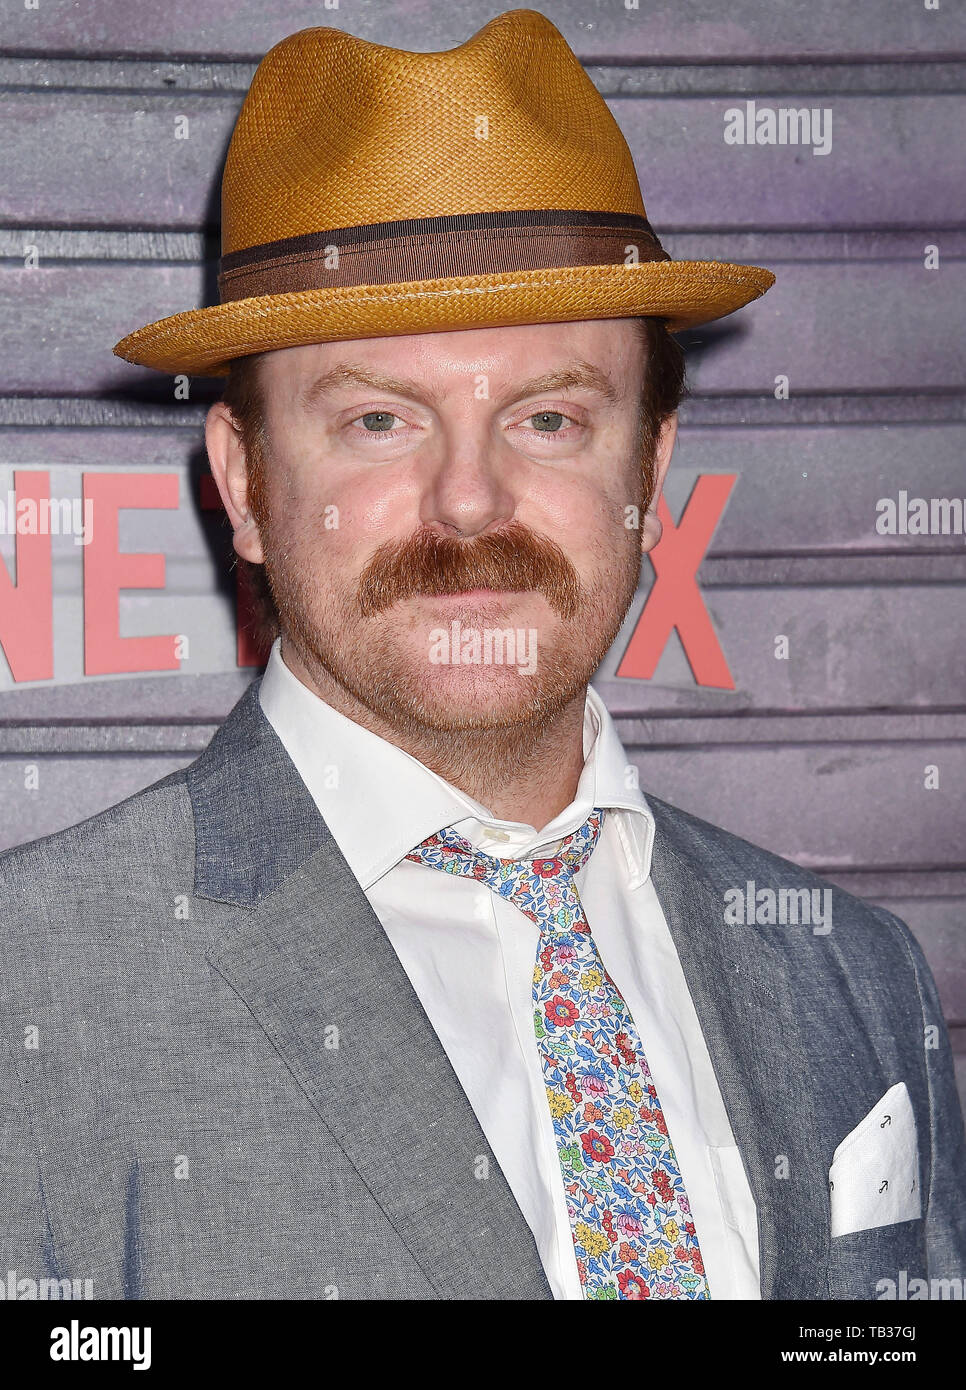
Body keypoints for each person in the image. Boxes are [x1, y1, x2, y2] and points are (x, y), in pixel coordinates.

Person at [1, 10, 962, 1301]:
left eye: (550, 416)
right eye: (379, 417)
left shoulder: (849, 964)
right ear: (242, 481)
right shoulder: (36, 981)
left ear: (649, 472)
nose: (468, 503)